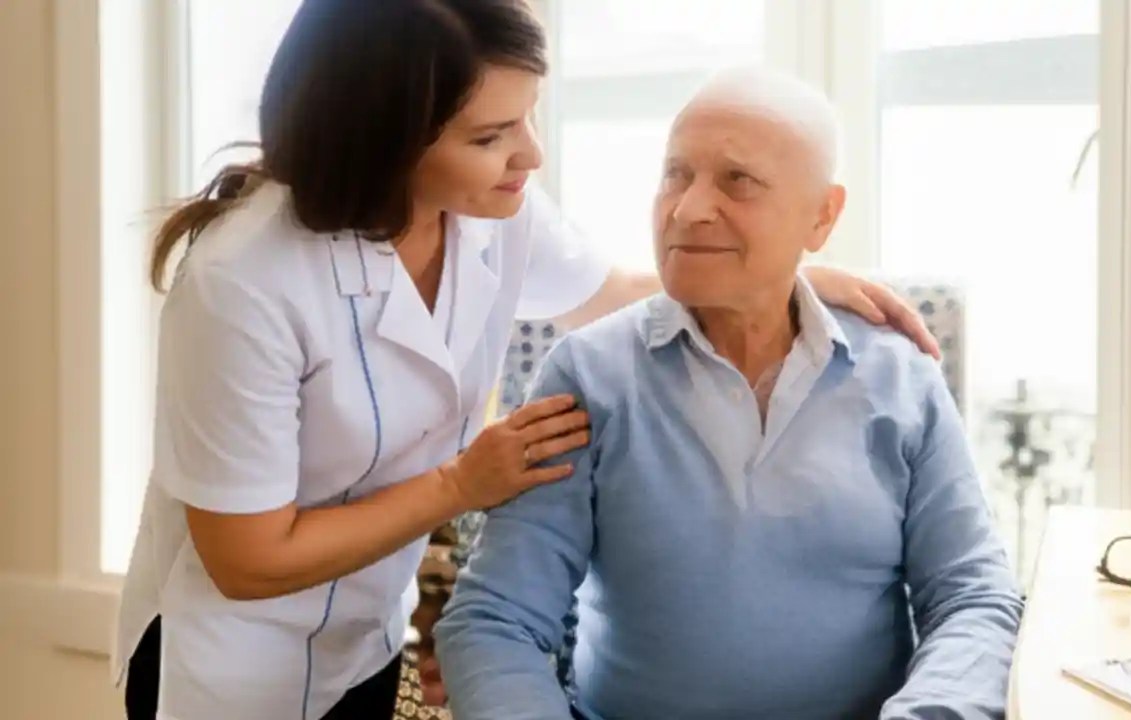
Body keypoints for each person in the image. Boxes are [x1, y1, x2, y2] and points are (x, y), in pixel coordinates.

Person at [111, 2, 937, 719]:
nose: (530, 155)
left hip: (362, 643)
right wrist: (460, 484)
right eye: (491, 136)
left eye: (528, 116)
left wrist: (781, 274)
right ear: (387, 140)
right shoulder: (242, 282)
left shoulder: (490, 210)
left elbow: (611, 291)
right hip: (226, 665)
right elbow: (247, 561)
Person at [435, 67, 1023, 720]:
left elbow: (973, 594)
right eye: (675, 175)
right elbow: (496, 620)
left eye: (737, 180)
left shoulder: (901, 375)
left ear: (822, 216)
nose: (687, 209)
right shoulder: (587, 375)